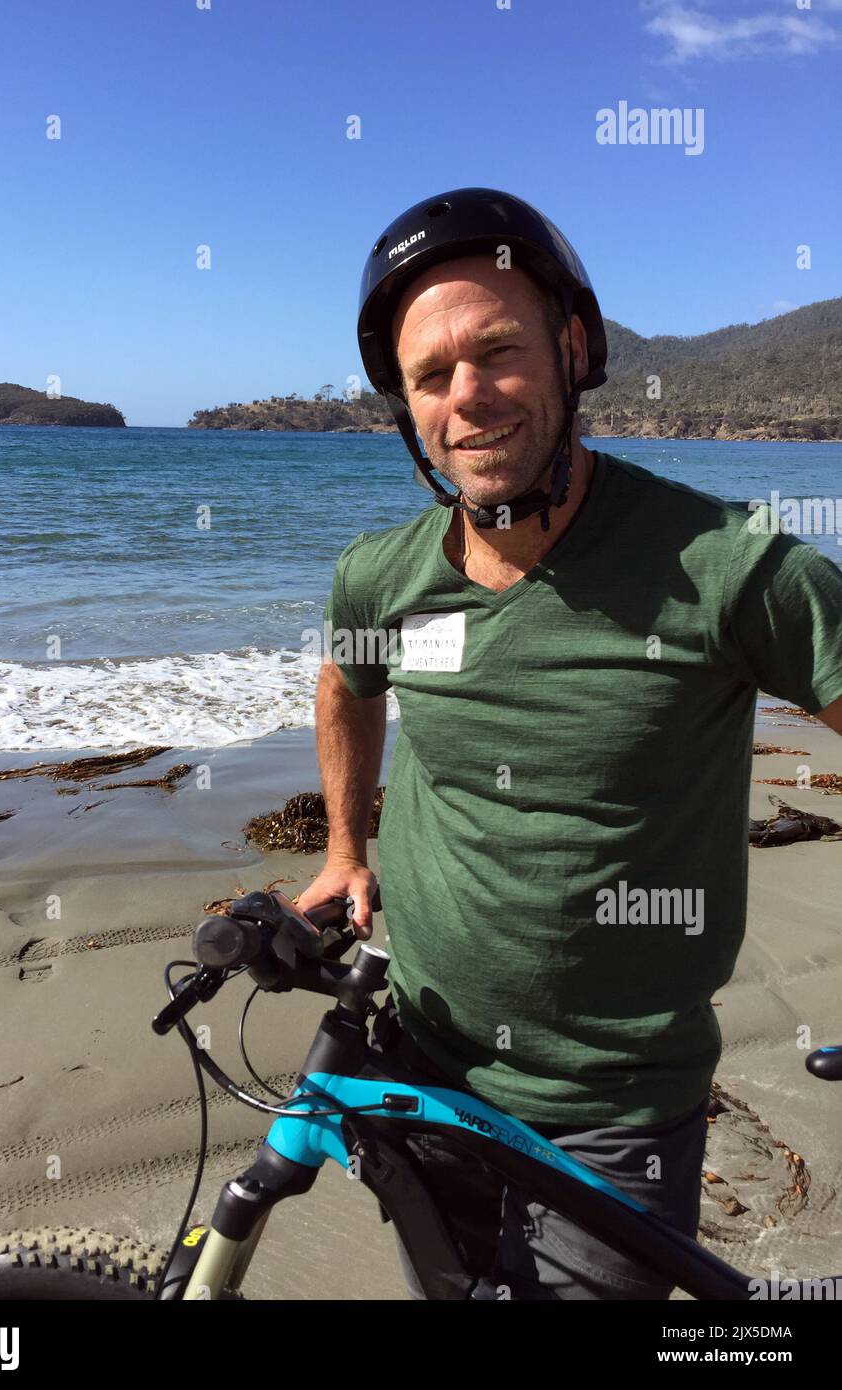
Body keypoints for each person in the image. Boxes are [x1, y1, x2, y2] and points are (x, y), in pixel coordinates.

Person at [295, 187, 842, 1299]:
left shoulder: (727, 566)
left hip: (614, 1112)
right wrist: (345, 848)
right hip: (425, 1073)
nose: (467, 397)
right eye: (430, 376)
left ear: (573, 348)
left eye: (495, 351)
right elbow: (345, 682)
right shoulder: (378, 575)